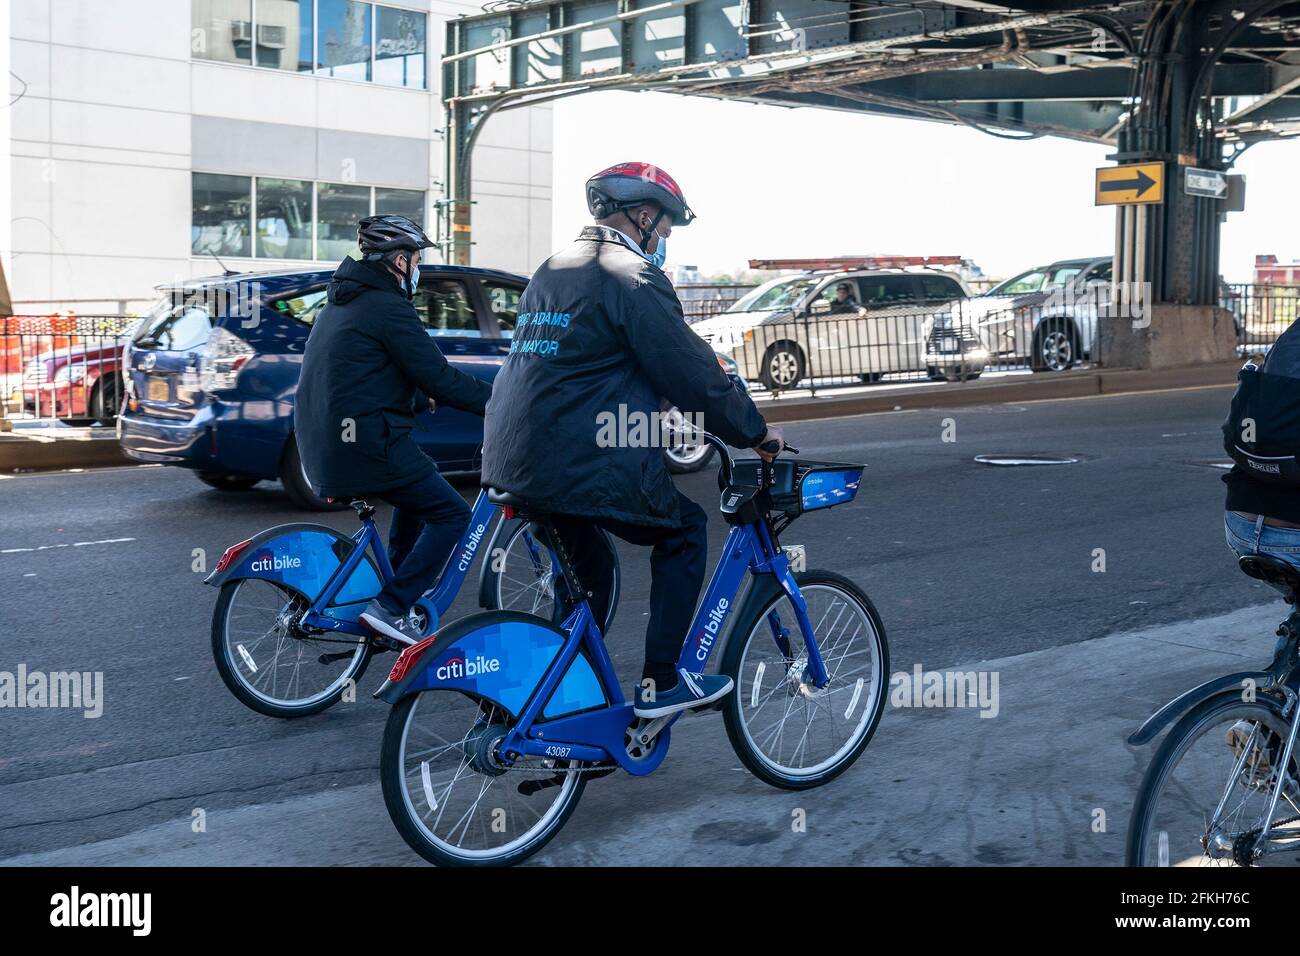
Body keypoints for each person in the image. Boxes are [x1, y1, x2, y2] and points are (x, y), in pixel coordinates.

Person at [481, 162, 784, 719]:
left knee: (589, 576)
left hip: (511, 457)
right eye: (664, 229)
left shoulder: (552, 269)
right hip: (580, 455)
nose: (663, 241)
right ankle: (661, 684)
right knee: (685, 531)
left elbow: (580, 364)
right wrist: (755, 433)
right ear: (643, 217)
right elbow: (691, 372)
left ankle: (562, 705)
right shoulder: (633, 277)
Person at [294, 215, 492, 644]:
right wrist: (502, 406)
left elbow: (366, 374)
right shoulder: (388, 307)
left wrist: (421, 399)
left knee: (418, 491)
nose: (419, 268)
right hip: (365, 445)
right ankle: (392, 606)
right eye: (418, 259)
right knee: (452, 514)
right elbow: (437, 374)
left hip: (324, 444)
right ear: (401, 262)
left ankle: (388, 594)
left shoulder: (343, 302)